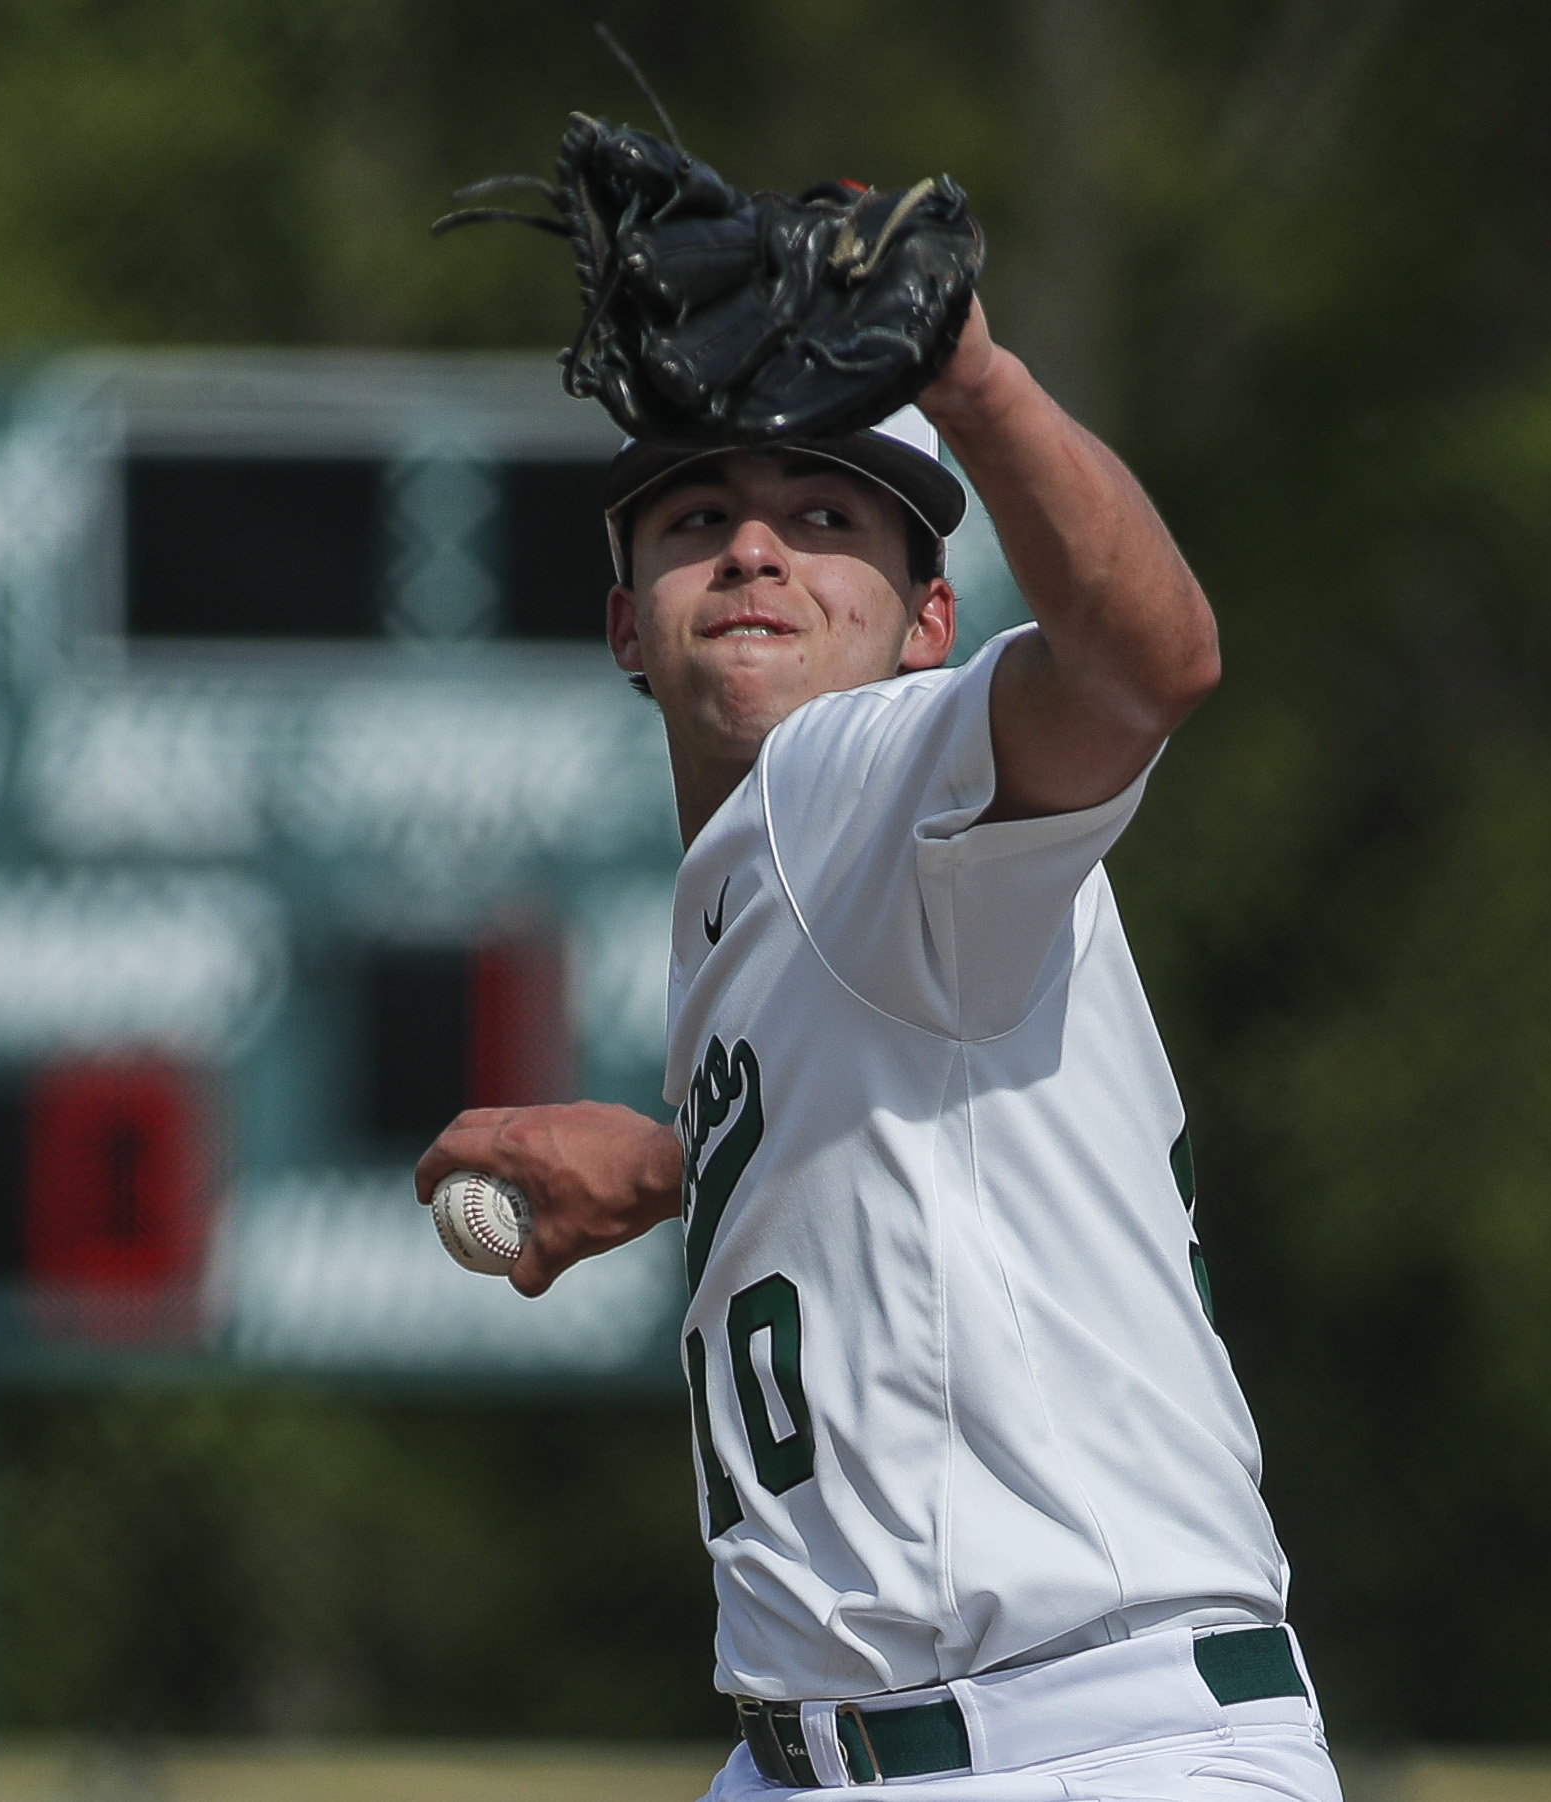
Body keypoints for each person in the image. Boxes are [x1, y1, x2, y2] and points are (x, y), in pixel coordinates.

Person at [417, 300, 1338, 1800]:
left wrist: (971, 377)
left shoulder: (854, 776)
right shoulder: (781, 879)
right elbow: (905, 1138)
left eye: (824, 512)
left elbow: (1146, 666)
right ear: (621, 622)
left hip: (1074, 1750)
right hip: (832, 1753)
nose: (755, 548)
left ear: (929, 624)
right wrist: (675, 1166)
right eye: (698, 513)